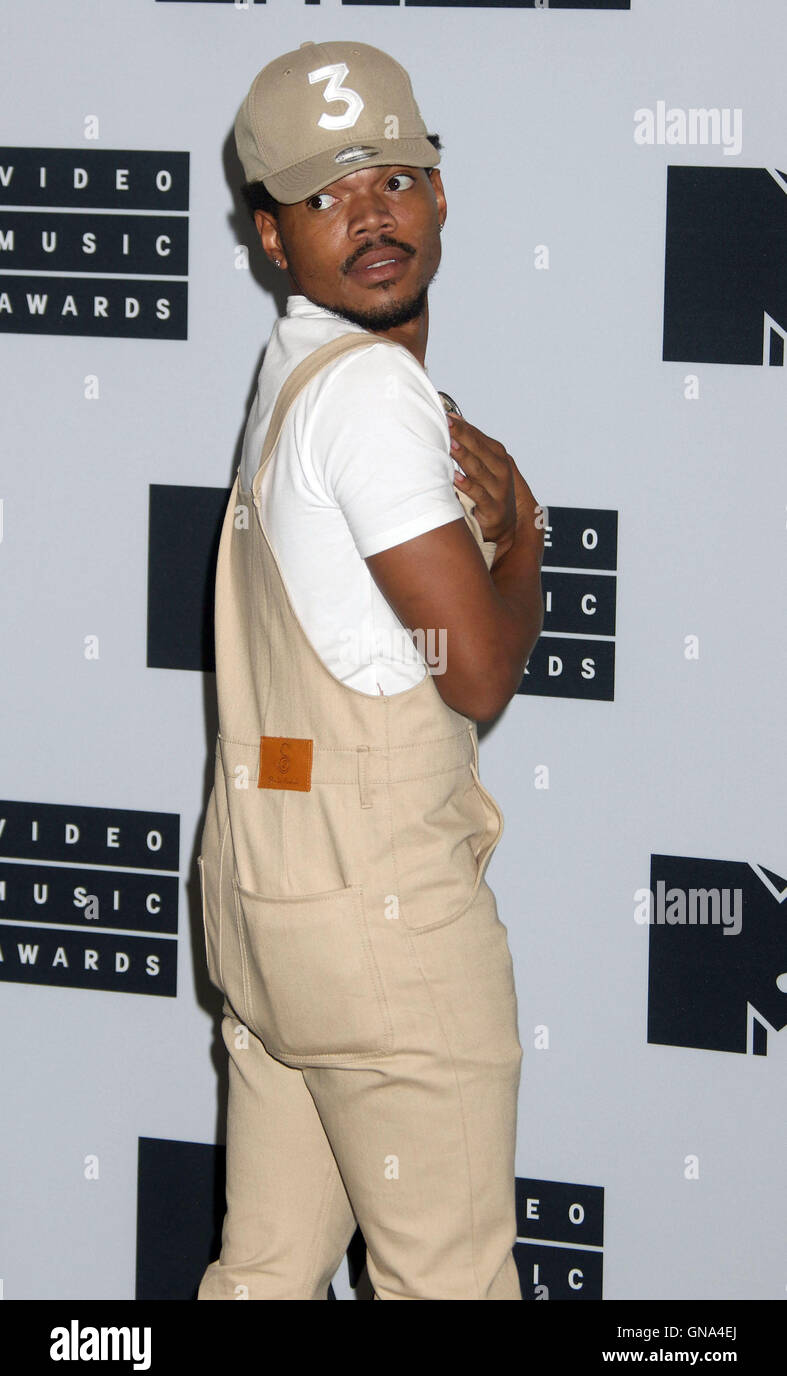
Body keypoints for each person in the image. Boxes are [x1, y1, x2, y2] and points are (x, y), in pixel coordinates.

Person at [197, 39, 544, 1302]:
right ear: (270, 235)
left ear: (439, 188)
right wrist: (532, 534)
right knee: (449, 1285)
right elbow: (478, 670)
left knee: (264, 1275)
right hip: (382, 929)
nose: (371, 214)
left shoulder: (294, 371)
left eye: (391, 175)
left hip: (273, 911)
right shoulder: (371, 402)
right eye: (325, 194)